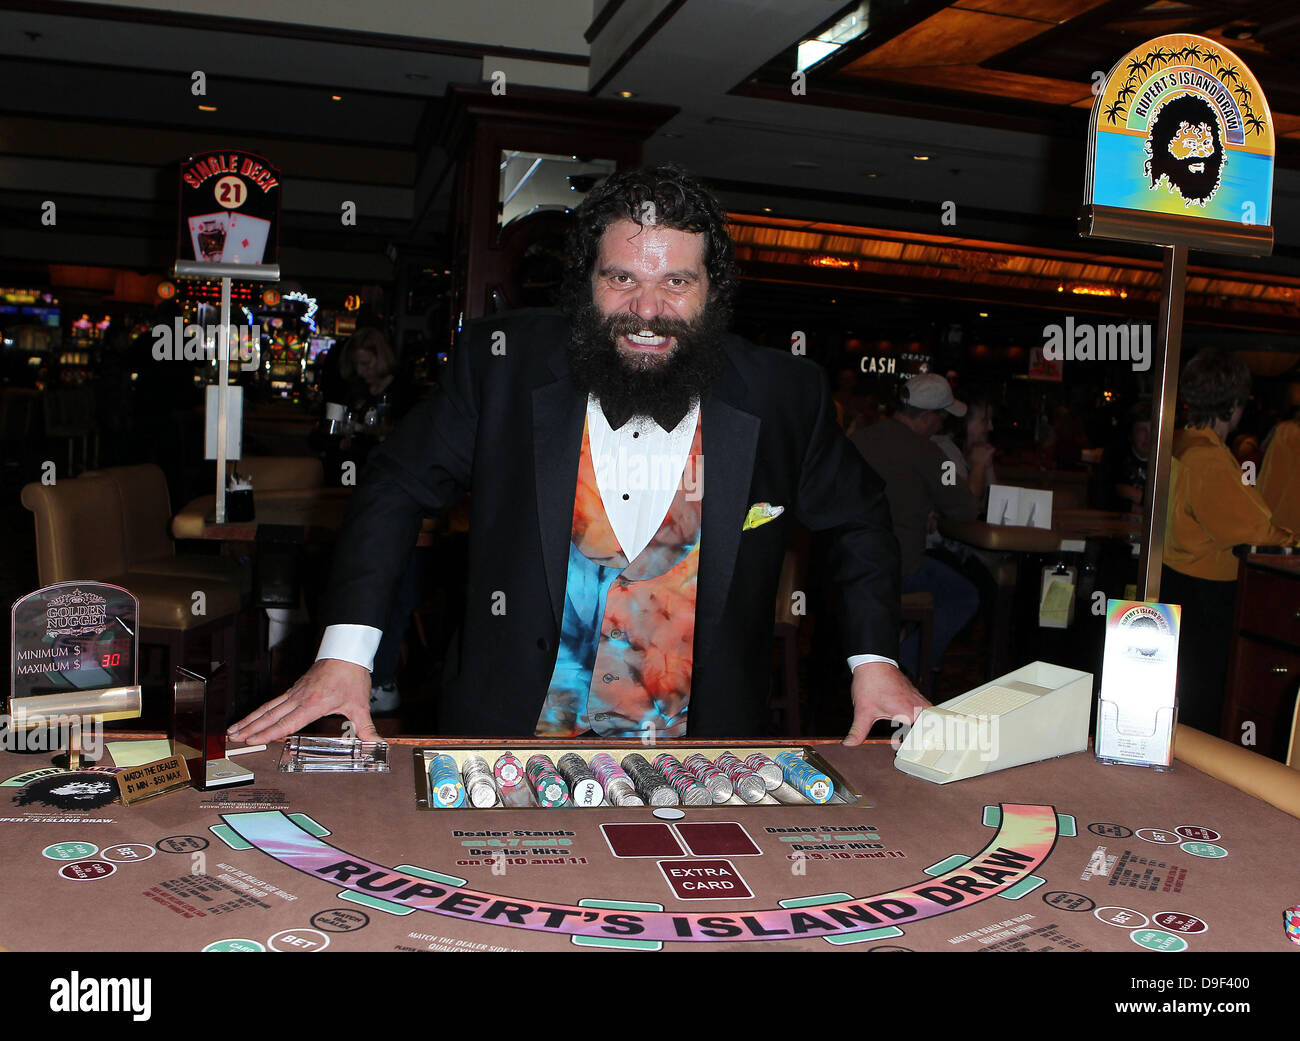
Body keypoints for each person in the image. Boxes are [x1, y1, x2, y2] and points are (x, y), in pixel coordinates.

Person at [230, 165, 926, 745]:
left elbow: (860, 515)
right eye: (621, 279)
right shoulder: (501, 365)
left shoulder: (782, 394)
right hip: (504, 742)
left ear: (714, 293)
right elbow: (394, 486)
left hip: (701, 755)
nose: (647, 310)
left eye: (676, 284)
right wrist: (345, 655)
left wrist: (874, 659)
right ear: (584, 285)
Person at [1162, 349, 1296, 734]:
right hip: (1206, 595)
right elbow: (1256, 532)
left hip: (1181, 583)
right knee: (1202, 708)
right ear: (1234, 405)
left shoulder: (1183, 442)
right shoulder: (1208, 459)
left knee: (1187, 700)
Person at [851, 374, 980, 687]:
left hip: (847, 564)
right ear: (926, 417)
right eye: (941, 418)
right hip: (898, 570)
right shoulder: (927, 454)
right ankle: (905, 666)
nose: (943, 426)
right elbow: (965, 510)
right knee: (965, 595)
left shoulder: (857, 440)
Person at [1259, 411, 1300, 532]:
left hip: (1278, 529)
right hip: (1285, 530)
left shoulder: (1285, 432)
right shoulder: (1288, 433)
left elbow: (1266, 483)